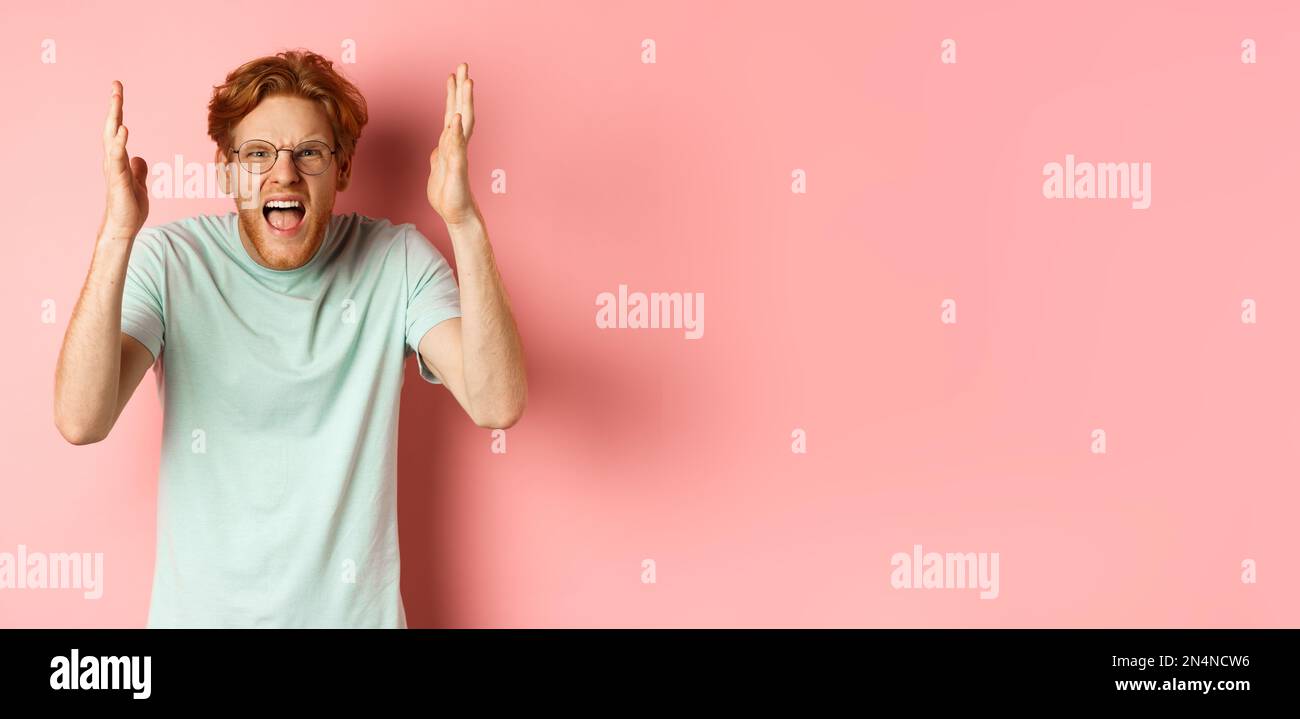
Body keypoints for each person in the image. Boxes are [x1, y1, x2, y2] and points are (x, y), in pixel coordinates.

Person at [51, 49, 527, 628]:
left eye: (309, 153)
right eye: (257, 154)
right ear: (226, 171)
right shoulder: (171, 262)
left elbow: (496, 402)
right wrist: (117, 234)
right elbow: (81, 420)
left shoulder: (396, 262)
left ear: (343, 169)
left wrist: (464, 222)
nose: (284, 174)